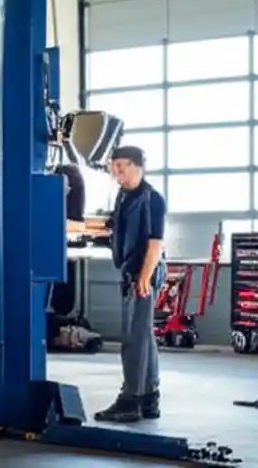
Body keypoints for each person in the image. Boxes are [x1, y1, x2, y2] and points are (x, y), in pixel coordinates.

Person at [94, 145, 168, 423]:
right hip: (130, 273)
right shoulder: (124, 197)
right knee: (144, 335)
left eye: (121, 167)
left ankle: (130, 399)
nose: (117, 174)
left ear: (138, 165)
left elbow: (154, 243)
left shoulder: (152, 200)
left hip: (142, 276)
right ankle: (149, 397)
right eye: (114, 168)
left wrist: (144, 278)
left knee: (134, 340)